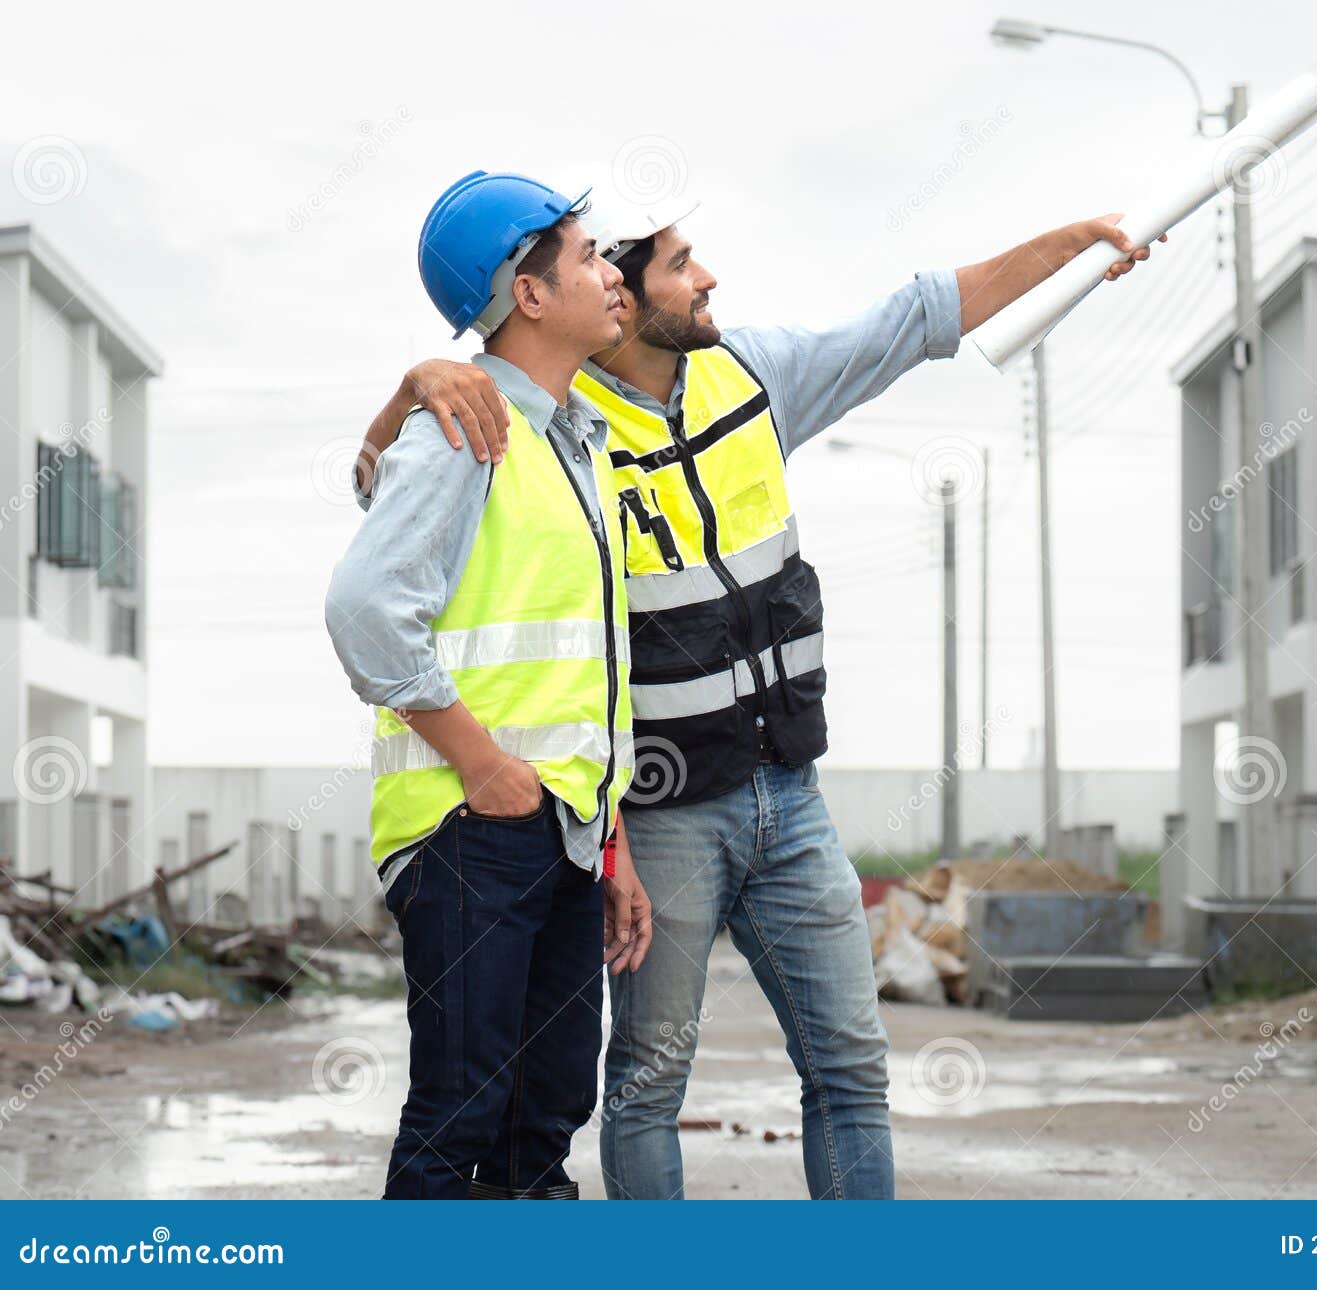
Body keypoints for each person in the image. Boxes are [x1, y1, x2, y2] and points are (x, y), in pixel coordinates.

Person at [354, 194, 1163, 1198]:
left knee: (814, 1071)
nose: (706, 280)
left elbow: (914, 319)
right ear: (586, 290)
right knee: (593, 1089)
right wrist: (414, 389)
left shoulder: (729, 384)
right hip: (627, 812)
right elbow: (385, 537)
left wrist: (1071, 243)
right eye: (675, 264)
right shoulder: (554, 423)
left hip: (749, 798)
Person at [325, 170, 651, 1200]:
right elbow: (366, 609)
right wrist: (485, 768)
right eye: (590, 256)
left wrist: (612, 844)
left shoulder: (573, 443)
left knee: (544, 1118)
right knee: (458, 1116)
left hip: (559, 833)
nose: (614, 274)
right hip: (473, 825)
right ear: (531, 295)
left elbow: (582, 681)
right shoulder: (466, 427)